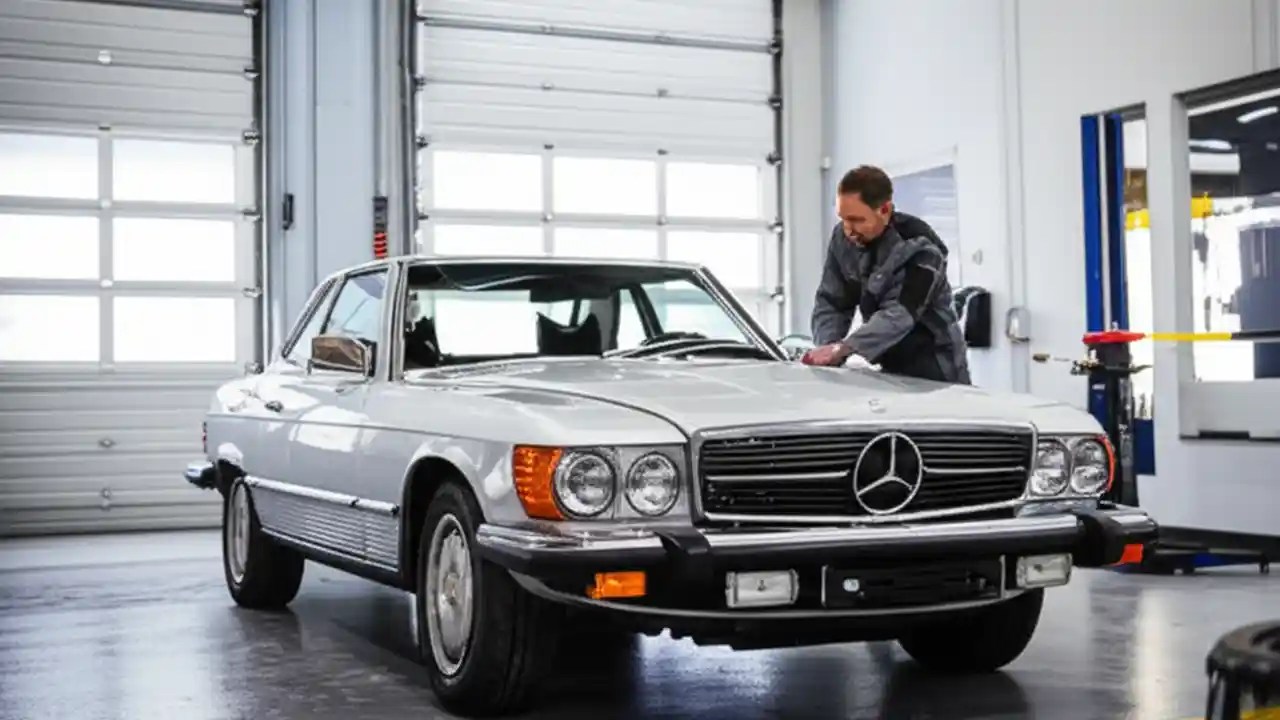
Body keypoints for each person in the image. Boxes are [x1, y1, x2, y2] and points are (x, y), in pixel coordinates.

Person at [803, 165, 971, 384]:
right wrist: (827, 348)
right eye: (843, 219)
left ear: (884, 210)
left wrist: (844, 348)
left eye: (857, 220)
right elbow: (832, 301)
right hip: (889, 362)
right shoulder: (842, 239)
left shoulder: (921, 246)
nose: (848, 229)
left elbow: (901, 313)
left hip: (936, 365)